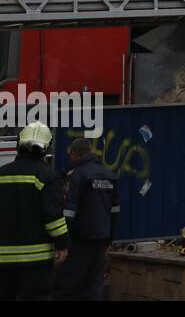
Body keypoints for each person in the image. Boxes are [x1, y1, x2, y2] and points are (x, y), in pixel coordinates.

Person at [0, 121, 69, 300]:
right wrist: (62, 244)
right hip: (36, 262)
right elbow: (53, 218)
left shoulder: (2, 174)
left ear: (18, 145)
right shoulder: (47, 176)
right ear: (45, 148)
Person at [56, 137, 119, 301]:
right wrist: (109, 240)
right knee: (94, 288)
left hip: (79, 242)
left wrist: (63, 242)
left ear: (76, 155)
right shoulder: (109, 175)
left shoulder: (77, 176)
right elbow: (115, 212)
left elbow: (68, 213)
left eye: (71, 155)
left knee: (67, 287)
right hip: (101, 241)